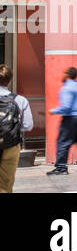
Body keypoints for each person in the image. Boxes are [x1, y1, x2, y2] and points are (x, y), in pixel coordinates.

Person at [0, 64, 33, 193]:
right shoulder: (20, 100)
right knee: (5, 184)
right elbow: (28, 125)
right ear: (10, 80)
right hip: (11, 145)